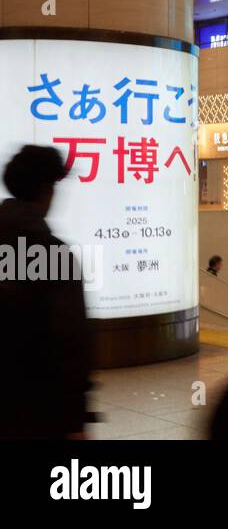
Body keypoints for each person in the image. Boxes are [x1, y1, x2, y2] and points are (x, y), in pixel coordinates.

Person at [0, 146, 91, 439]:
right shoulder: (53, 255)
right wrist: (75, 421)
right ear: (46, 188)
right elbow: (69, 342)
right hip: (39, 411)